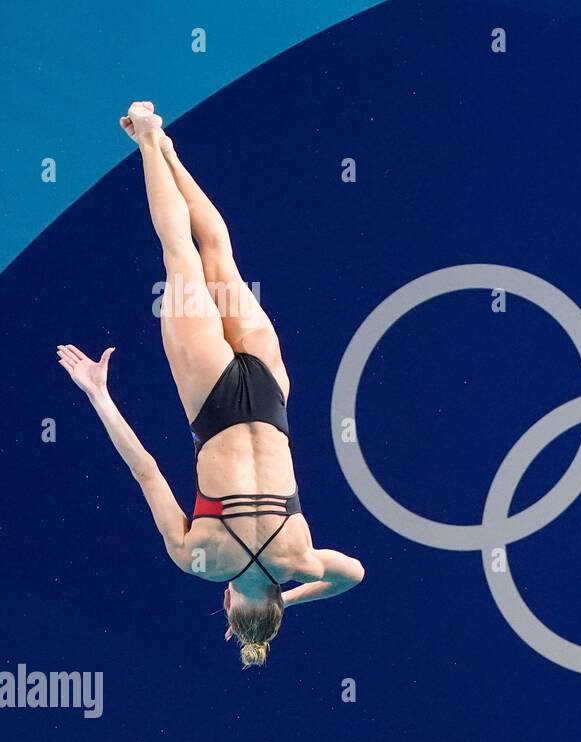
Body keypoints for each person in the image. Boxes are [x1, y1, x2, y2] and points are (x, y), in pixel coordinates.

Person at [56, 102, 364, 668]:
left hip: (271, 397)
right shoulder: (199, 557)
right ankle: (150, 141)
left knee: (220, 253)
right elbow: (144, 467)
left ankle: (170, 151)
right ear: (227, 603)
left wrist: (286, 597)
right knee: (180, 258)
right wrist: (99, 395)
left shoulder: (301, 559)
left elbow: (353, 576)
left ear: (272, 599)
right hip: (212, 402)